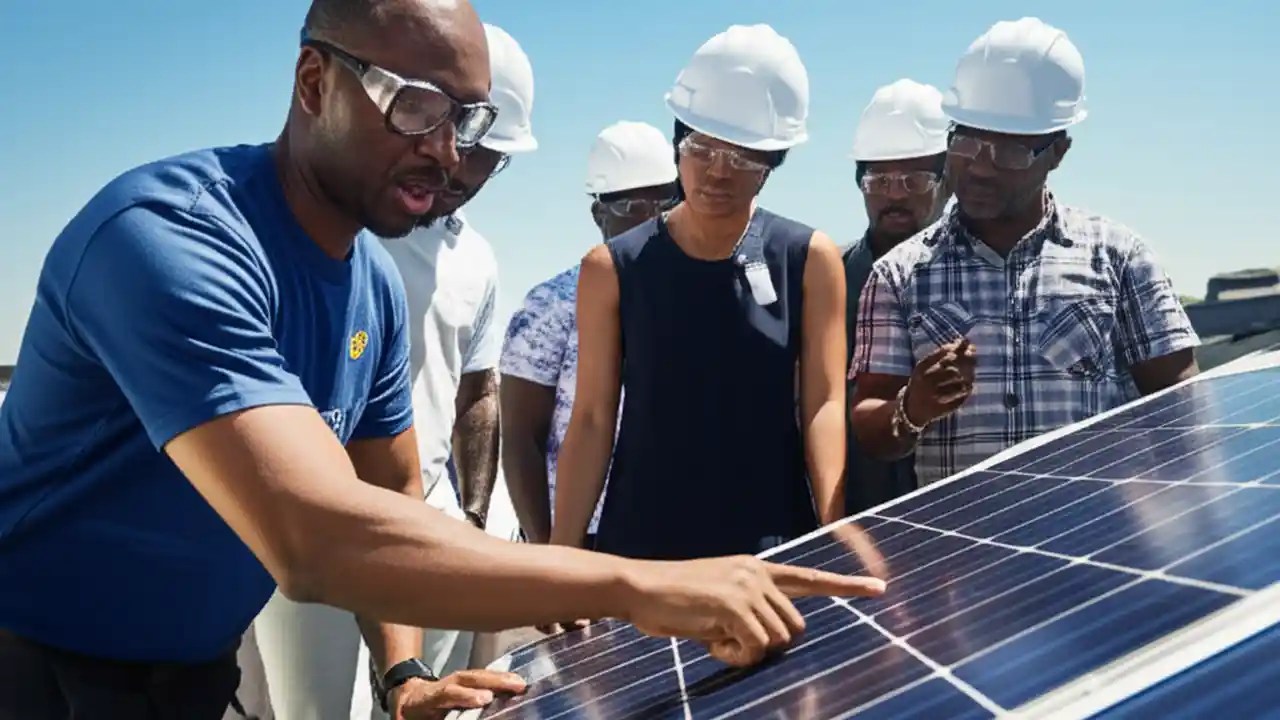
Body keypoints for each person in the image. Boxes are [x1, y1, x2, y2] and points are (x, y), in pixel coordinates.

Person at [0, 1, 886, 718]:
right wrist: (631, 583)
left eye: (466, 120)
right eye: (416, 106)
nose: (448, 149)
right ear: (314, 82)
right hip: (34, 668)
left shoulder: (371, 288)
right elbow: (316, 537)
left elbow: (388, 504)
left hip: (189, 674)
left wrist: (405, 674)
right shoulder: (170, 240)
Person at [250, 22, 534, 720]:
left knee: (419, 700)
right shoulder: (338, 230)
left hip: (419, 518)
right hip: (315, 528)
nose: (461, 170)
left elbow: (477, 390)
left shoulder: (478, 261)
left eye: (488, 158)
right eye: (461, 145)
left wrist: (467, 518)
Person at [850, 17, 1200, 486]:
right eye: (967, 142)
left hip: (1100, 544)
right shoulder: (898, 275)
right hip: (962, 552)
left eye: (1008, 152)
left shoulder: (1121, 259)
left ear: (1058, 151)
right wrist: (913, 406)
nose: (980, 169)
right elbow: (871, 426)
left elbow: (1184, 411)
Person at [551, 24, 849, 563]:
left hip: (772, 545)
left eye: (743, 157)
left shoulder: (809, 259)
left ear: (773, 162)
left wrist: (834, 525)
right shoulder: (612, 269)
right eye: (701, 147)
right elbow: (593, 418)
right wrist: (560, 561)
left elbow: (824, 403)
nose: (718, 171)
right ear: (676, 144)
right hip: (641, 553)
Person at [500, 120, 679, 549]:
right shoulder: (553, 304)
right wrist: (549, 549)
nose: (652, 217)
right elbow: (521, 435)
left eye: (665, 201)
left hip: (681, 531)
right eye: (632, 204)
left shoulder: (701, 293)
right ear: (599, 213)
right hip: (586, 536)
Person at [841, 79, 950, 514]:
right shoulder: (826, 278)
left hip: (961, 516)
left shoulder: (989, 276)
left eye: (914, 179)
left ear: (949, 182)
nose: (895, 194)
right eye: (879, 179)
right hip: (851, 513)